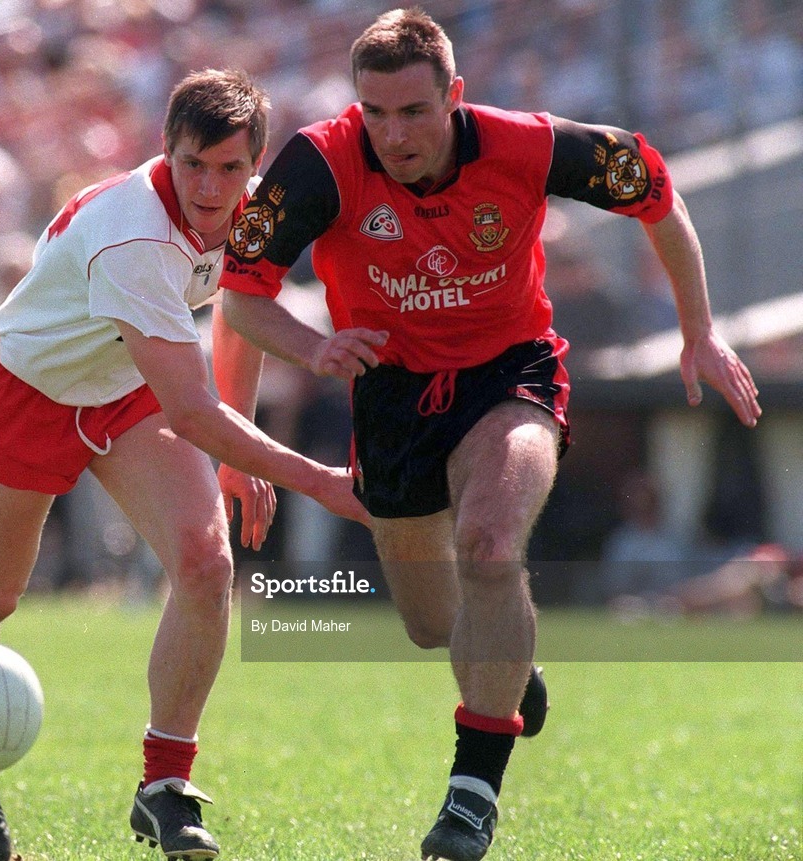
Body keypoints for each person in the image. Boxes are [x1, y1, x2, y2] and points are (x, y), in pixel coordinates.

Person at [219, 9, 762, 861]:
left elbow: (656, 189)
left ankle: (470, 799)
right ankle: (509, 671)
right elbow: (242, 292)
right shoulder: (318, 164)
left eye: (413, 112)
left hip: (512, 371)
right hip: (389, 394)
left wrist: (698, 329)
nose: (393, 135)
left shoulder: (530, 145)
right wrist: (311, 348)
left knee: (488, 545)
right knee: (435, 624)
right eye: (376, 113)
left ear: (456, 97)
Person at [0, 68, 366, 861]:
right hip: (30, 387)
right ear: (166, 149)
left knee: (205, 562)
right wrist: (324, 483)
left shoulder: (254, 209)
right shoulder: (136, 232)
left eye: (230, 168)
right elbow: (198, 414)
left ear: (253, 164)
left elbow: (239, 310)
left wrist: (236, 463)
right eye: (194, 163)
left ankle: (164, 785)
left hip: (131, 388)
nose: (210, 185)